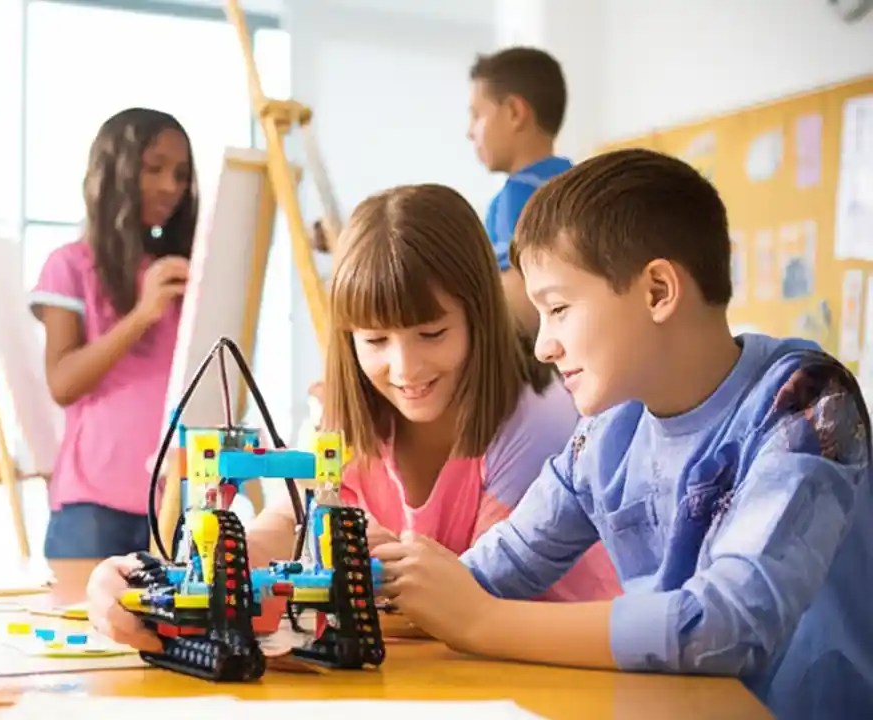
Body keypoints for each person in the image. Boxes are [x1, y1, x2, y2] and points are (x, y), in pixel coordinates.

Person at [373, 149, 872, 720]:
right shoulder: (609, 430)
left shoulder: (807, 402)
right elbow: (488, 574)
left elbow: (730, 624)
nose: (543, 346)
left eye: (559, 308)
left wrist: (482, 622)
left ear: (658, 291)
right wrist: (379, 580)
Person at [86, 182, 621, 652]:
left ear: (478, 317)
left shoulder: (533, 419)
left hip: (556, 677)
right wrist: (183, 578)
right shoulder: (347, 417)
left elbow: (479, 594)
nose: (405, 368)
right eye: (376, 340)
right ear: (348, 338)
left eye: (432, 333)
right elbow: (289, 524)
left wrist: (363, 572)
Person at [30, 107, 198, 562]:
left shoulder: (184, 273)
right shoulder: (69, 264)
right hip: (92, 509)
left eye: (181, 175)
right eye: (154, 168)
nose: (170, 186)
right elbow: (63, 383)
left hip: (176, 502)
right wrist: (141, 316)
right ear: (115, 172)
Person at [468, 47, 572, 336]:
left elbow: (518, 304)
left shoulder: (516, 198)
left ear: (515, 112)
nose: (469, 131)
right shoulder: (574, 183)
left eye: (476, 115)